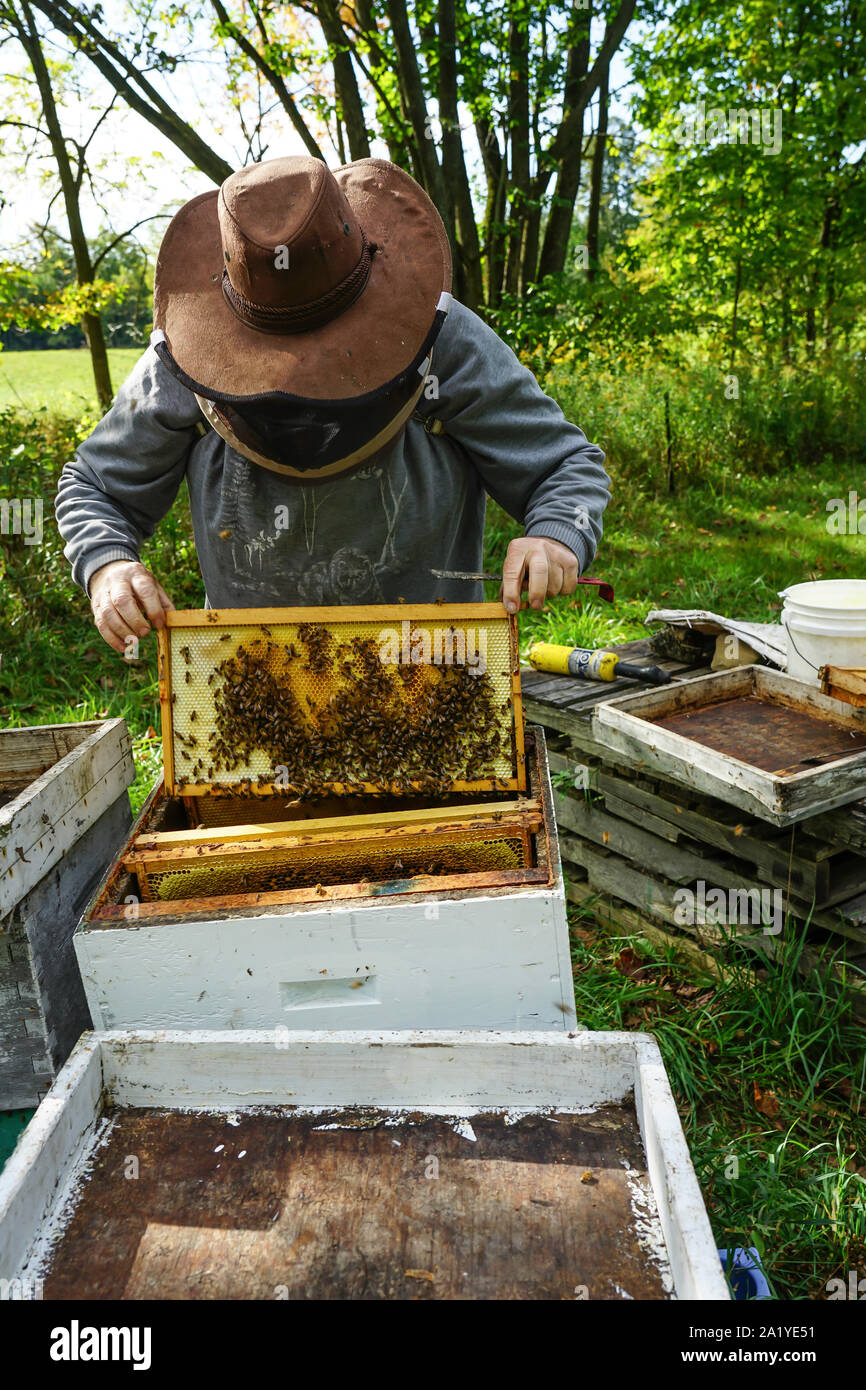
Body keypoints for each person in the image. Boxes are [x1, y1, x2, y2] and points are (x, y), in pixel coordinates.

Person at [55, 155, 611, 653]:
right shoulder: (179, 365)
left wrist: (554, 534)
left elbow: (563, 466)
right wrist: (108, 564)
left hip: (432, 670)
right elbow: (96, 486)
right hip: (253, 683)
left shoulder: (444, 341)